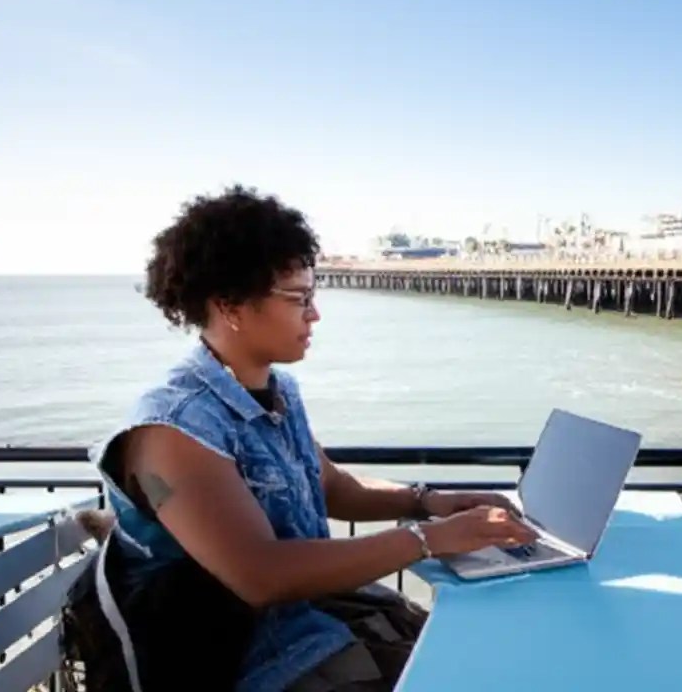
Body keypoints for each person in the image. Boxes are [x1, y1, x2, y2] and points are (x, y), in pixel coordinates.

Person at [84, 185, 537, 692]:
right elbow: (260, 575)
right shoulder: (172, 431)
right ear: (231, 305)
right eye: (298, 299)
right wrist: (428, 540)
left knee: (492, 656)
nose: (314, 314)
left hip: (311, 629)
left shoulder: (277, 393)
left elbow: (331, 485)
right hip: (250, 667)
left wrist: (430, 502)